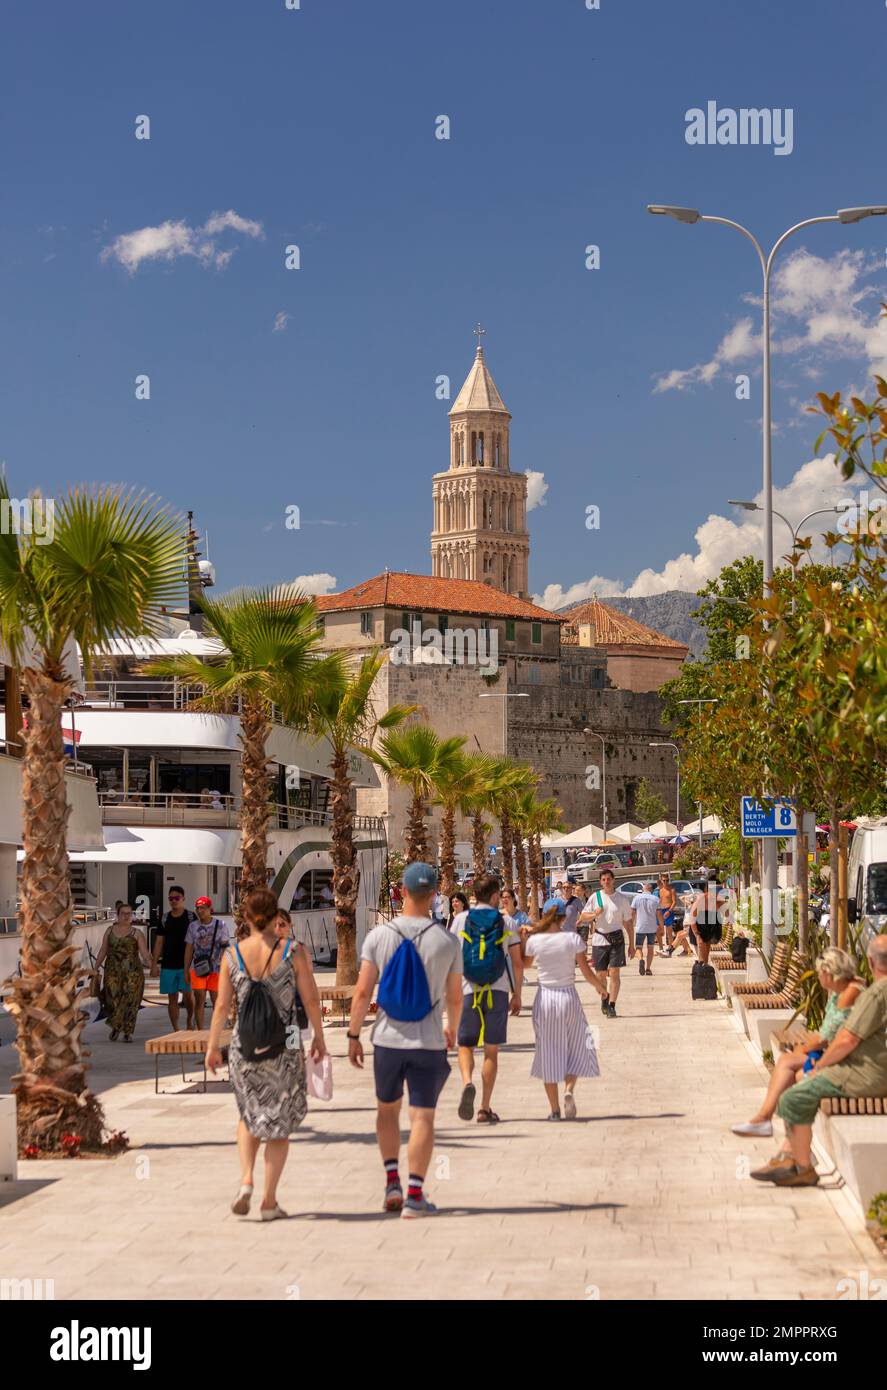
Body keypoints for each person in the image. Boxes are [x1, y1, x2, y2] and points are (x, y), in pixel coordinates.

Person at [347, 861, 463, 1219]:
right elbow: (456, 997)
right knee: (422, 1117)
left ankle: (391, 1182)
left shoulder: (380, 936)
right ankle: (415, 1195)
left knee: (387, 1110)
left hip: (387, 1040)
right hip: (428, 1040)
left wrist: (353, 1034)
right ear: (434, 894)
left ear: (403, 890)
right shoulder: (446, 941)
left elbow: (363, 991)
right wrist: (452, 1029)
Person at [206, 888, 325, 1220]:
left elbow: (221, 1007)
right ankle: (269, 1201)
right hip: (285, 1042)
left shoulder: (232, 955)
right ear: (277, 917)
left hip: (245, 1045)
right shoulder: (293, 952)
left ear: (245, 917)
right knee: (279, 1121)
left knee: (249, 1114)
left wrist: (213, 1046)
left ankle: (246, 1179)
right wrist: (319, 1038)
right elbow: (311, 1000)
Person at [753, 935, 887, 1187]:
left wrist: (821, 1066)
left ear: (871, 961)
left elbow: (847, 1039)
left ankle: (802, 1166)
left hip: (866, 1074)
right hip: (869, 1069)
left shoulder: (876, 994)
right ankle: (790, 1157)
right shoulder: (873, 991)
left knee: (794, 1096)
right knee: (799, 1086)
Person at [732, 948, 864, 1138]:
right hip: (833, 1052)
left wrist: (804, 1047)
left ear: (829, 972)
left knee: (798, 1074)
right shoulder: (839, 991)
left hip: (845, 1058)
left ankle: (784, 1136)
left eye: (820, 973)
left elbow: (827, 1036)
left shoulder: (850, 993)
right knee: (787, 1062)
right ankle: (768, 1123)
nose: (818, 977)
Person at [520, 897, 606, 1119]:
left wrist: (523, 940)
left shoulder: (535, 941)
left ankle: (555, 1110)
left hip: (545, 998)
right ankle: (568, 1090)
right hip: (568, 996)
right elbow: (586, 972)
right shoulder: (572, 939)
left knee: (548, 1052)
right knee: (576, 1048)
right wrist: (601, 988)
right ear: (564, 917)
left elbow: (525, 965)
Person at [450, 873, 523, 1125]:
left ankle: (467, 1082)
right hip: (498, 991)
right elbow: (516, 962)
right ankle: (484, 1107)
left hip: (468, 990)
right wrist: (518, 994)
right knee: (491, 1052)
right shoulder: (507, 922)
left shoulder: (460, 920)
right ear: (494, 896)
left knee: (466, 1045)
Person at [580, 868, 634, 1018]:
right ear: (600, 882)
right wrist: (594, 914)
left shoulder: (622, 899)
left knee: (615, 973)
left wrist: (632, 945)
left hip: (617, 938)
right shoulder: (595, 897)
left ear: (613, 880)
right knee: (600, 974)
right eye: (603, 880)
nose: (606, 882)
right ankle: (605, 996)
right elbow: (583, 916)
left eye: (608, 879)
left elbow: (628, 922)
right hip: (599, 939)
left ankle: (612, 1005)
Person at [95, 903, 152, 1042]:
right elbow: (103, 950)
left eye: (129, 913)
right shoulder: (109, 931)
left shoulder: (137, 933)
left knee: (131, 1002)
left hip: (133, 973)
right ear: (118, 915)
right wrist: (95, 967)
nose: (126, 916)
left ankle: (127, 1032)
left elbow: (144, 953)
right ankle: (117, 1025)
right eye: (123, 913)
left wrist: (153, 965)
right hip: (112, 971)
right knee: (112, 999)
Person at [150, 886, 196, 1030]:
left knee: (188, 995)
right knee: (172, 998)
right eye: (171, 898)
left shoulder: (191, 917)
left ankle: (189, 1019)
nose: (174, 901)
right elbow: (159, 942)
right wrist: (154, 964)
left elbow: (197, 938)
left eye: (177, 898)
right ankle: (176, 1028)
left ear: (183, 898)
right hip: (168, 964)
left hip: (187, 964)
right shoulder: (164, 918)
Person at [184, 896, 231, 1030]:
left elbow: (225, 948)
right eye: (198, 908)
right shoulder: (192, 926)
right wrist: (186, 969)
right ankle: (200, 1030)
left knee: (216, 1000)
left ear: (210, 909)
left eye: (203, 908)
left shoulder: (221, 925)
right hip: (198, 967)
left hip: (216, 968)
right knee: (199, 999)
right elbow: (188, 948)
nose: (200, 911)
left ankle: (217, 1030)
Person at [631, 882, 660, 976]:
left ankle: (641, 960)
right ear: (651, 890)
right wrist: (661, 926)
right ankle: (648, 969)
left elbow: (632, 912)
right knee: (650, 948)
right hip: (652, 927)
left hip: (640, 927)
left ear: (643, 889)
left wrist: (631, 924)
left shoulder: (636, 898)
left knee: (638, 947)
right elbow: (659, 914)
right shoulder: (656, 899)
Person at [657, 875, 677, 954]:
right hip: (661, 911)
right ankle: (661, 948)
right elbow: (659, 900)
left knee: (669, 932)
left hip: (669, 910)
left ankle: (669, 949)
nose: (665, 882)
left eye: (667, 880)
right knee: (658, 930)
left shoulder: (672, 889)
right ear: (661, 881)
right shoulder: (660, 890)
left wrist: (669, 911)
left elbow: (674, 902)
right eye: (664, 880)